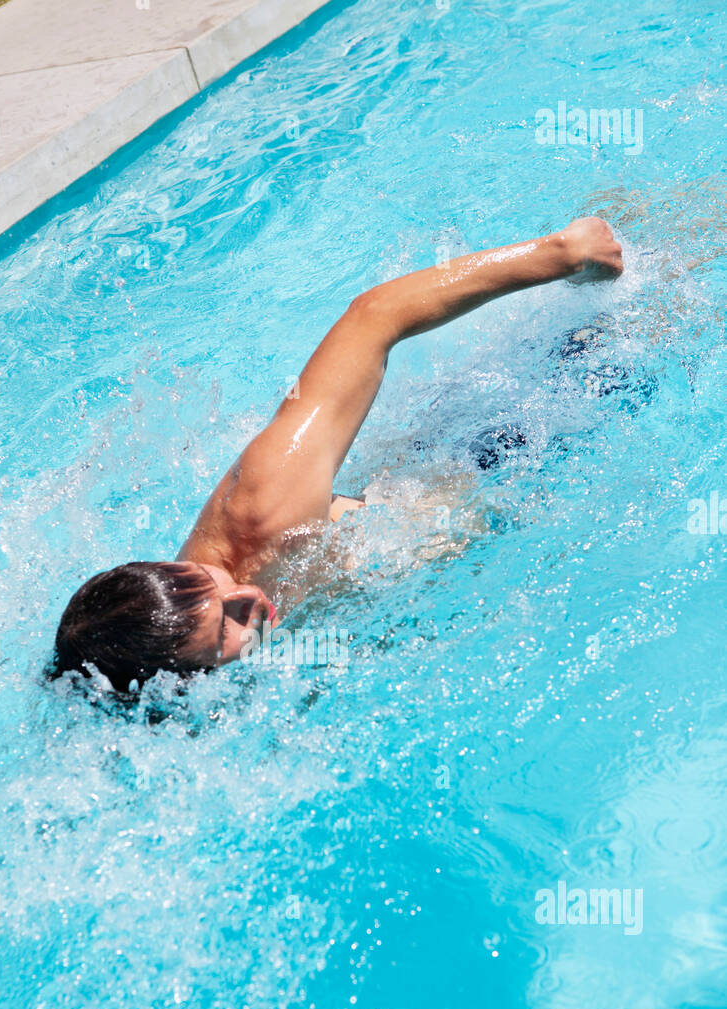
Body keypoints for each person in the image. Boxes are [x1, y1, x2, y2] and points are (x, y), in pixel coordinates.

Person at [52, 217, 623, 692]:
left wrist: (558, 255)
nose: (248, 602)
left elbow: (373, 318)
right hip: (476, 521)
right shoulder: (163, 670)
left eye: (214, 586)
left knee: (654, 306)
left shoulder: (263, 509)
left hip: (505, 448)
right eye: (224, 632)